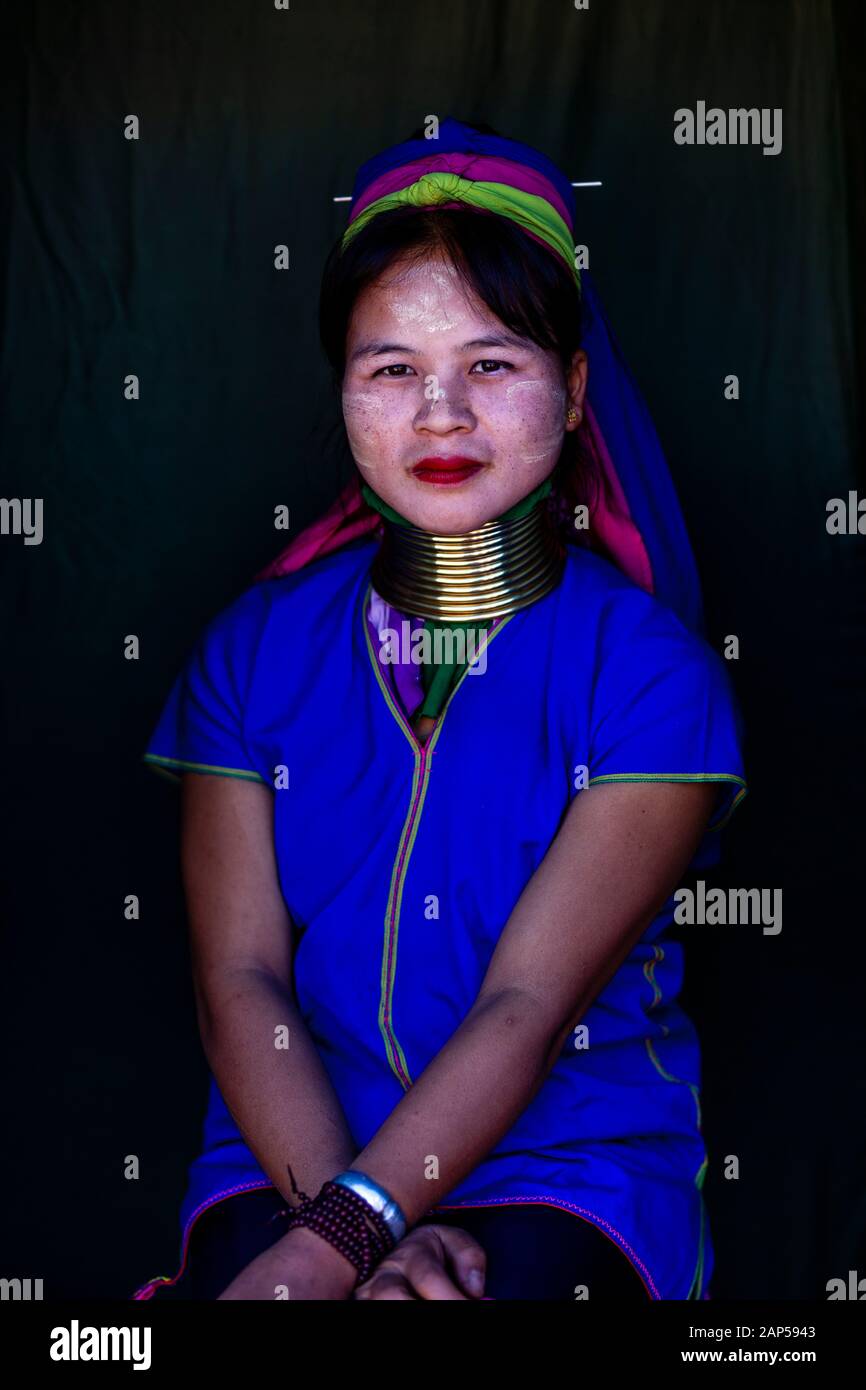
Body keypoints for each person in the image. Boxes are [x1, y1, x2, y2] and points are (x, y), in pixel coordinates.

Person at [131, 117, 748, 1302]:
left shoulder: (647, 674)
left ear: (571, 391)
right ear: (344, 390)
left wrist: (335, 1245)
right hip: (284, 1149)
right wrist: (342, 1222)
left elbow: (528, 1004)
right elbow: (241, 983)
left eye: (492, 363)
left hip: (563, 1165)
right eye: (392, 368)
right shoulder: (251, 654)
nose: (440, 414)